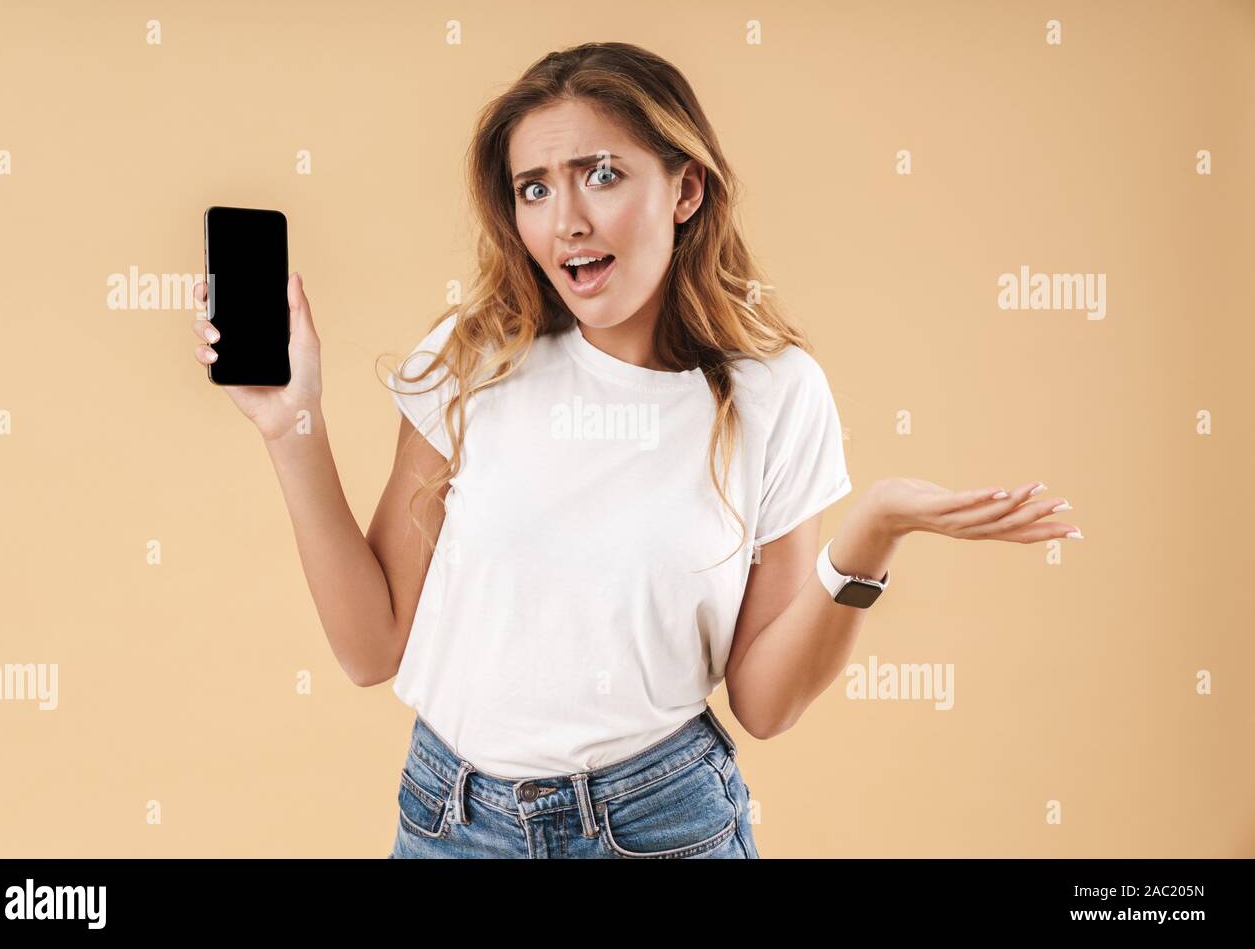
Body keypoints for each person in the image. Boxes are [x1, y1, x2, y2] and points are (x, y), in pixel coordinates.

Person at [190, 43, 1082, 859]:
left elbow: (765, 704)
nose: (566, 220)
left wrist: (873, 533)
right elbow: (370, 645)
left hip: (660, 826)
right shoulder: (471, 357)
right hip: (451, 824)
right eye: (534, 187)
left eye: (602, 175)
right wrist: (290, 425)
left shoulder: (776, 392)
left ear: (686, 189)